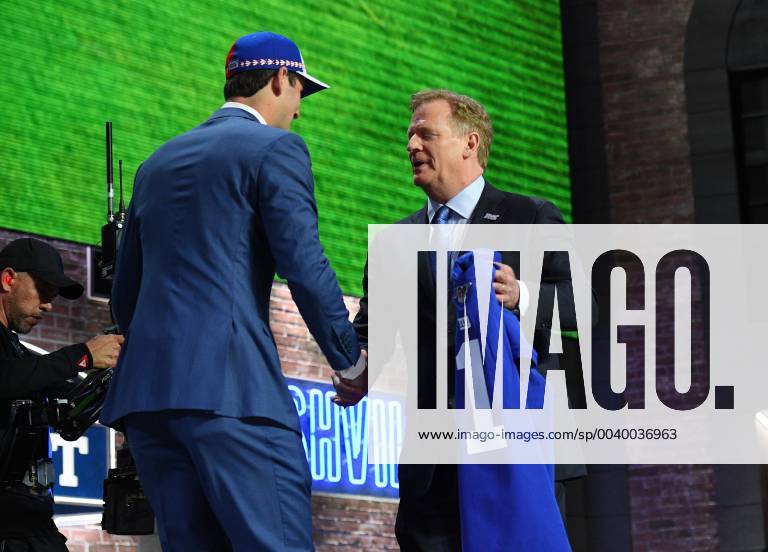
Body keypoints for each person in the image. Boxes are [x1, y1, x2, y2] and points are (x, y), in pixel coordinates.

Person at [100, 31, 366, 551]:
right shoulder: (277, 148)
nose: (298, 111)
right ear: (280, 78)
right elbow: (304, 265)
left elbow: (124, 298)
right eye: (299, 93)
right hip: (232, 397)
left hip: (150, 407)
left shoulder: (156, 164)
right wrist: (348, 359)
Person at [338, 89, 585, 550]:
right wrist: (358, 368)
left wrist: (522, 295)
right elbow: (370, 333)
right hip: (435, 464)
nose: (412, 145)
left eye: (425, 134)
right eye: (410, 136)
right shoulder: (394, 241)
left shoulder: (528, 216)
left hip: (520, 452)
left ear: (469, 143)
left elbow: (585, 304)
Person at [0, 237, 123, 551]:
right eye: (42, 291)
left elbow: (63, 389)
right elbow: (9, 378)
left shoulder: (17, 352)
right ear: (8, 279)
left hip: (29, 523)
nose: (48, 305)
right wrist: (82, 355)